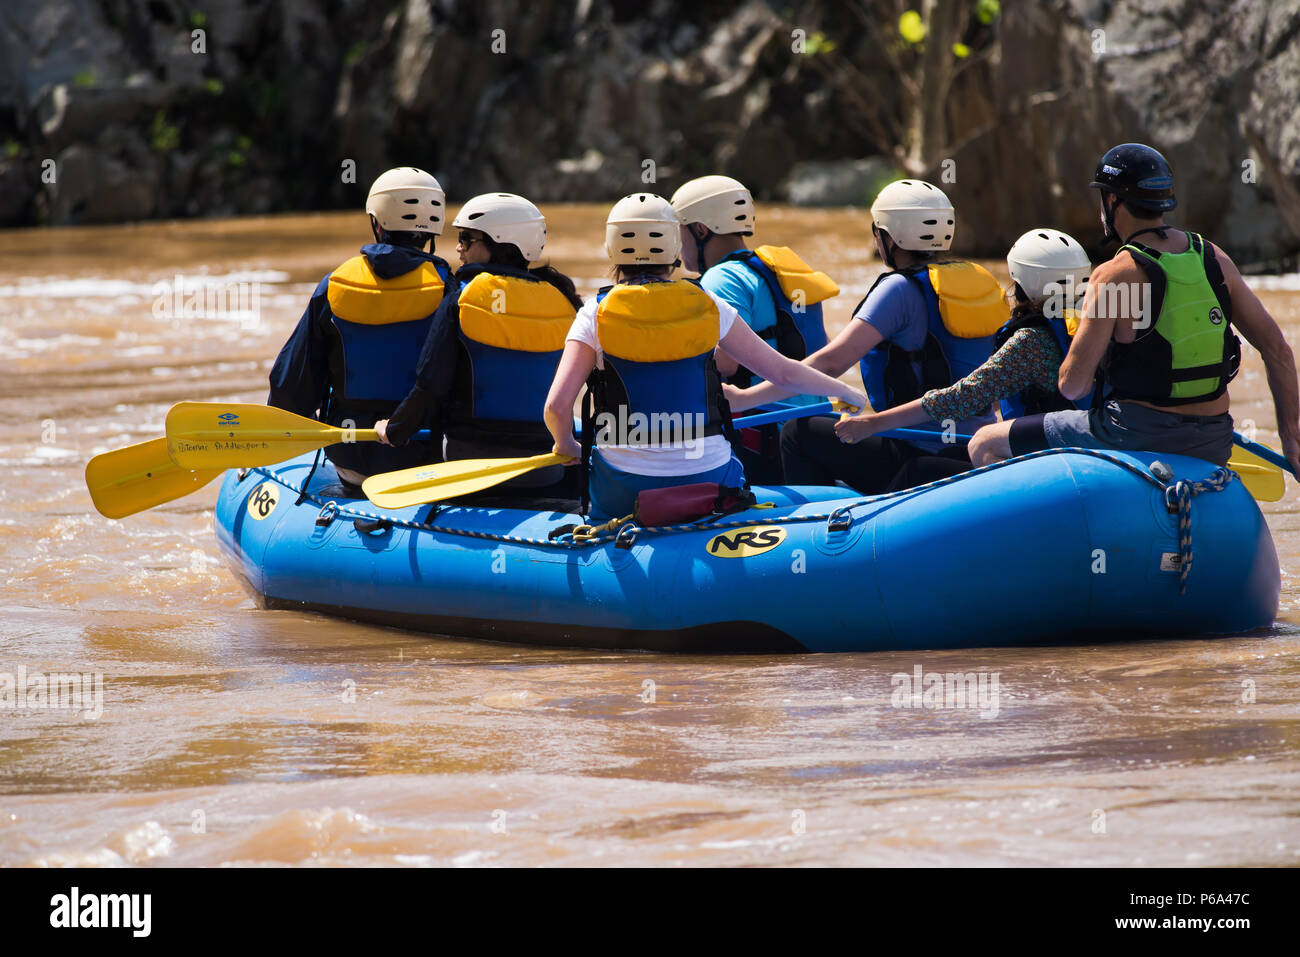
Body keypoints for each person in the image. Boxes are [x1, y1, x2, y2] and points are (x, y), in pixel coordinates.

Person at [970, 143, 1300, 473]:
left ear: (1113, 201)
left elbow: (1073, 385)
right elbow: (1278, 351)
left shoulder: (1114, 274)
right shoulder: (1214, 258)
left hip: (1132, 436)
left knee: (984, 442)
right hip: (1214, 440)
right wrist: (1290, 438)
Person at [543, 193, 866, 520]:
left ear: (612, 248)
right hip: (707, 477)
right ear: (673, 246)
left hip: (623, 484)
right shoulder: (708, 304)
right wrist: (845, 391)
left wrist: (566, 444)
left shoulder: (594, 313)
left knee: (597, 492)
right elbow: (784, 373)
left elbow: (556, 408)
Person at [726, 179, 1008, 493]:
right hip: (976, 445)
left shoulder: (900, 289)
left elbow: (832, 362)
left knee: (798, 432)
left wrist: (746, 397)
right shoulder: (980, 281)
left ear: (889, 235)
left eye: (877, 232)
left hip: (918, 450)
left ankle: (819, 524)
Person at [835, 228, 1094, 484]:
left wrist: (872, 424)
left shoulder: (1032, 340)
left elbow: (961, 398)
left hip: (1050, 462)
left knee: (918, 471)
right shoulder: (1096, 326)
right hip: (1084, 449)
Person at [375, 192, 583, 496]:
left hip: (469, 468)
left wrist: (394, 430)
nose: (458, 247)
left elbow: (430, 386)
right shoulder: (567, 304)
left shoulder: (461, 299)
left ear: (499, 243)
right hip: (544, 469)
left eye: (467, 238)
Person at [267, 167, 453, 490]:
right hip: (427, 464)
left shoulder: (335, 286)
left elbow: (290, 387)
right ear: (433, 230)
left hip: (352, 464)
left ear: (376, 223)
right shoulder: (451, 292)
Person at [670, 175, 841, 481]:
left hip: (767, 441)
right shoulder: (785, 270)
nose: (677, 247)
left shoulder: (720, 279)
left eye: (678, 232)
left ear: (699, 229)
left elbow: (725, 362)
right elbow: (824, 353)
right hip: (818, 431)